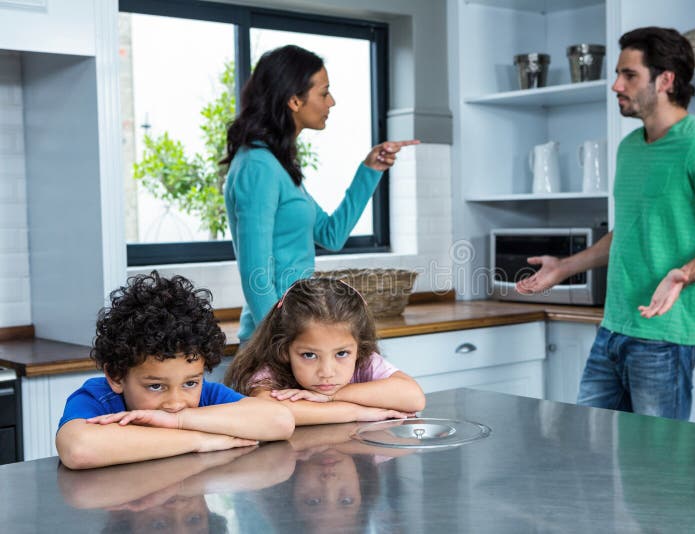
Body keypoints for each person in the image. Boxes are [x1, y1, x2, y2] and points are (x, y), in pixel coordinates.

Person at [516, 27, 695, 420]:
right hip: (613, 330)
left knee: (659, 467)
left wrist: (683, 275)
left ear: (665, 80)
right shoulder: (629, 147)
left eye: (629, 75)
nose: (615, 85)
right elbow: (628, 234)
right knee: (590, 452)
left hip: (664, 338)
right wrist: (565, 267)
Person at [221, 44, 418, 344]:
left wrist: (370, 170)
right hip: (275, 341)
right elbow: (256, 274)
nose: (332, 101)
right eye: (324, 93)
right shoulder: (257, 166)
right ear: (294, 100)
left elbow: (331, 235)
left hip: (296, 332)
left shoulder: (278, 165)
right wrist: (278, 348)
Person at [55, 272, 295, 470]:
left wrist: (179, 421)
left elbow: (280, 421)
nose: (175, 402)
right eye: (156, 386)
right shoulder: (99, 397)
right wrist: (201, 440)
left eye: (190, 383)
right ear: (116, 377)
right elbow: (79, 449)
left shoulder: (207, 396)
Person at [224, 277, 426, 425]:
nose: (327, 372)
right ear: (284, 349)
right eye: (309, 355)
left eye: (341, 354)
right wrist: (356, 412)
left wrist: (333, 396)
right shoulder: (270, 373)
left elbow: (414, 398)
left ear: (359, 347)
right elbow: (267, 411)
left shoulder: (363, 360)